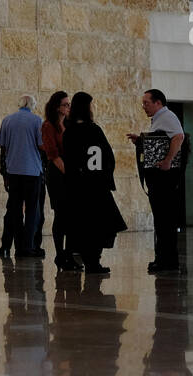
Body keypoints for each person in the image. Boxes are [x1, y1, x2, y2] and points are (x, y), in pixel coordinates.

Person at [61, 92, 125, 274]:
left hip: (79, 187)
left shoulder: (70, 132)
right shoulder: (95, 129)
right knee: (102, 225)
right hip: (98, 186)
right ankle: (93, 261)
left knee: (83, 226)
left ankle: (88, 260)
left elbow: (70, 161)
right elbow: (108, 157)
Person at [126, 88, 185, 274]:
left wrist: (168, 160)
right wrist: (141, 142)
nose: (144, 106)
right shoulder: (159, 119)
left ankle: (167, 260)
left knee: (165, 220)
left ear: (158, 102)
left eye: (147, 103)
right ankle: (163, 259)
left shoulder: (167, 117)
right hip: (159, 177)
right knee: (161, 220)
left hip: (164, 177)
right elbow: (161, 141)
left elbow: (178, 137)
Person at [0, 94, 45, 259]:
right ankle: (28, 246)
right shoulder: (37, 121)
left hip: (13, 171)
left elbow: (3, 149)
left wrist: (4, 173)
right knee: (32, 210)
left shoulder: (7, 120)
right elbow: (41, 145)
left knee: (15, 210)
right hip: (32, 171)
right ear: (32, 105)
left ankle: (18, 245)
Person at [39, 91, 72, 269]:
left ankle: (70, 253)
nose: (68, 107)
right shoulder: (48, 126)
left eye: (69, 104)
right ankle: (60, 254)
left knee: (71, 215)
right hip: (58, 173)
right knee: (60, 214)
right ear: (57, 106)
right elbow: (52, 154)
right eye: (65, 104)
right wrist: (69, 173)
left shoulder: (69, 124)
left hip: (70, 171)